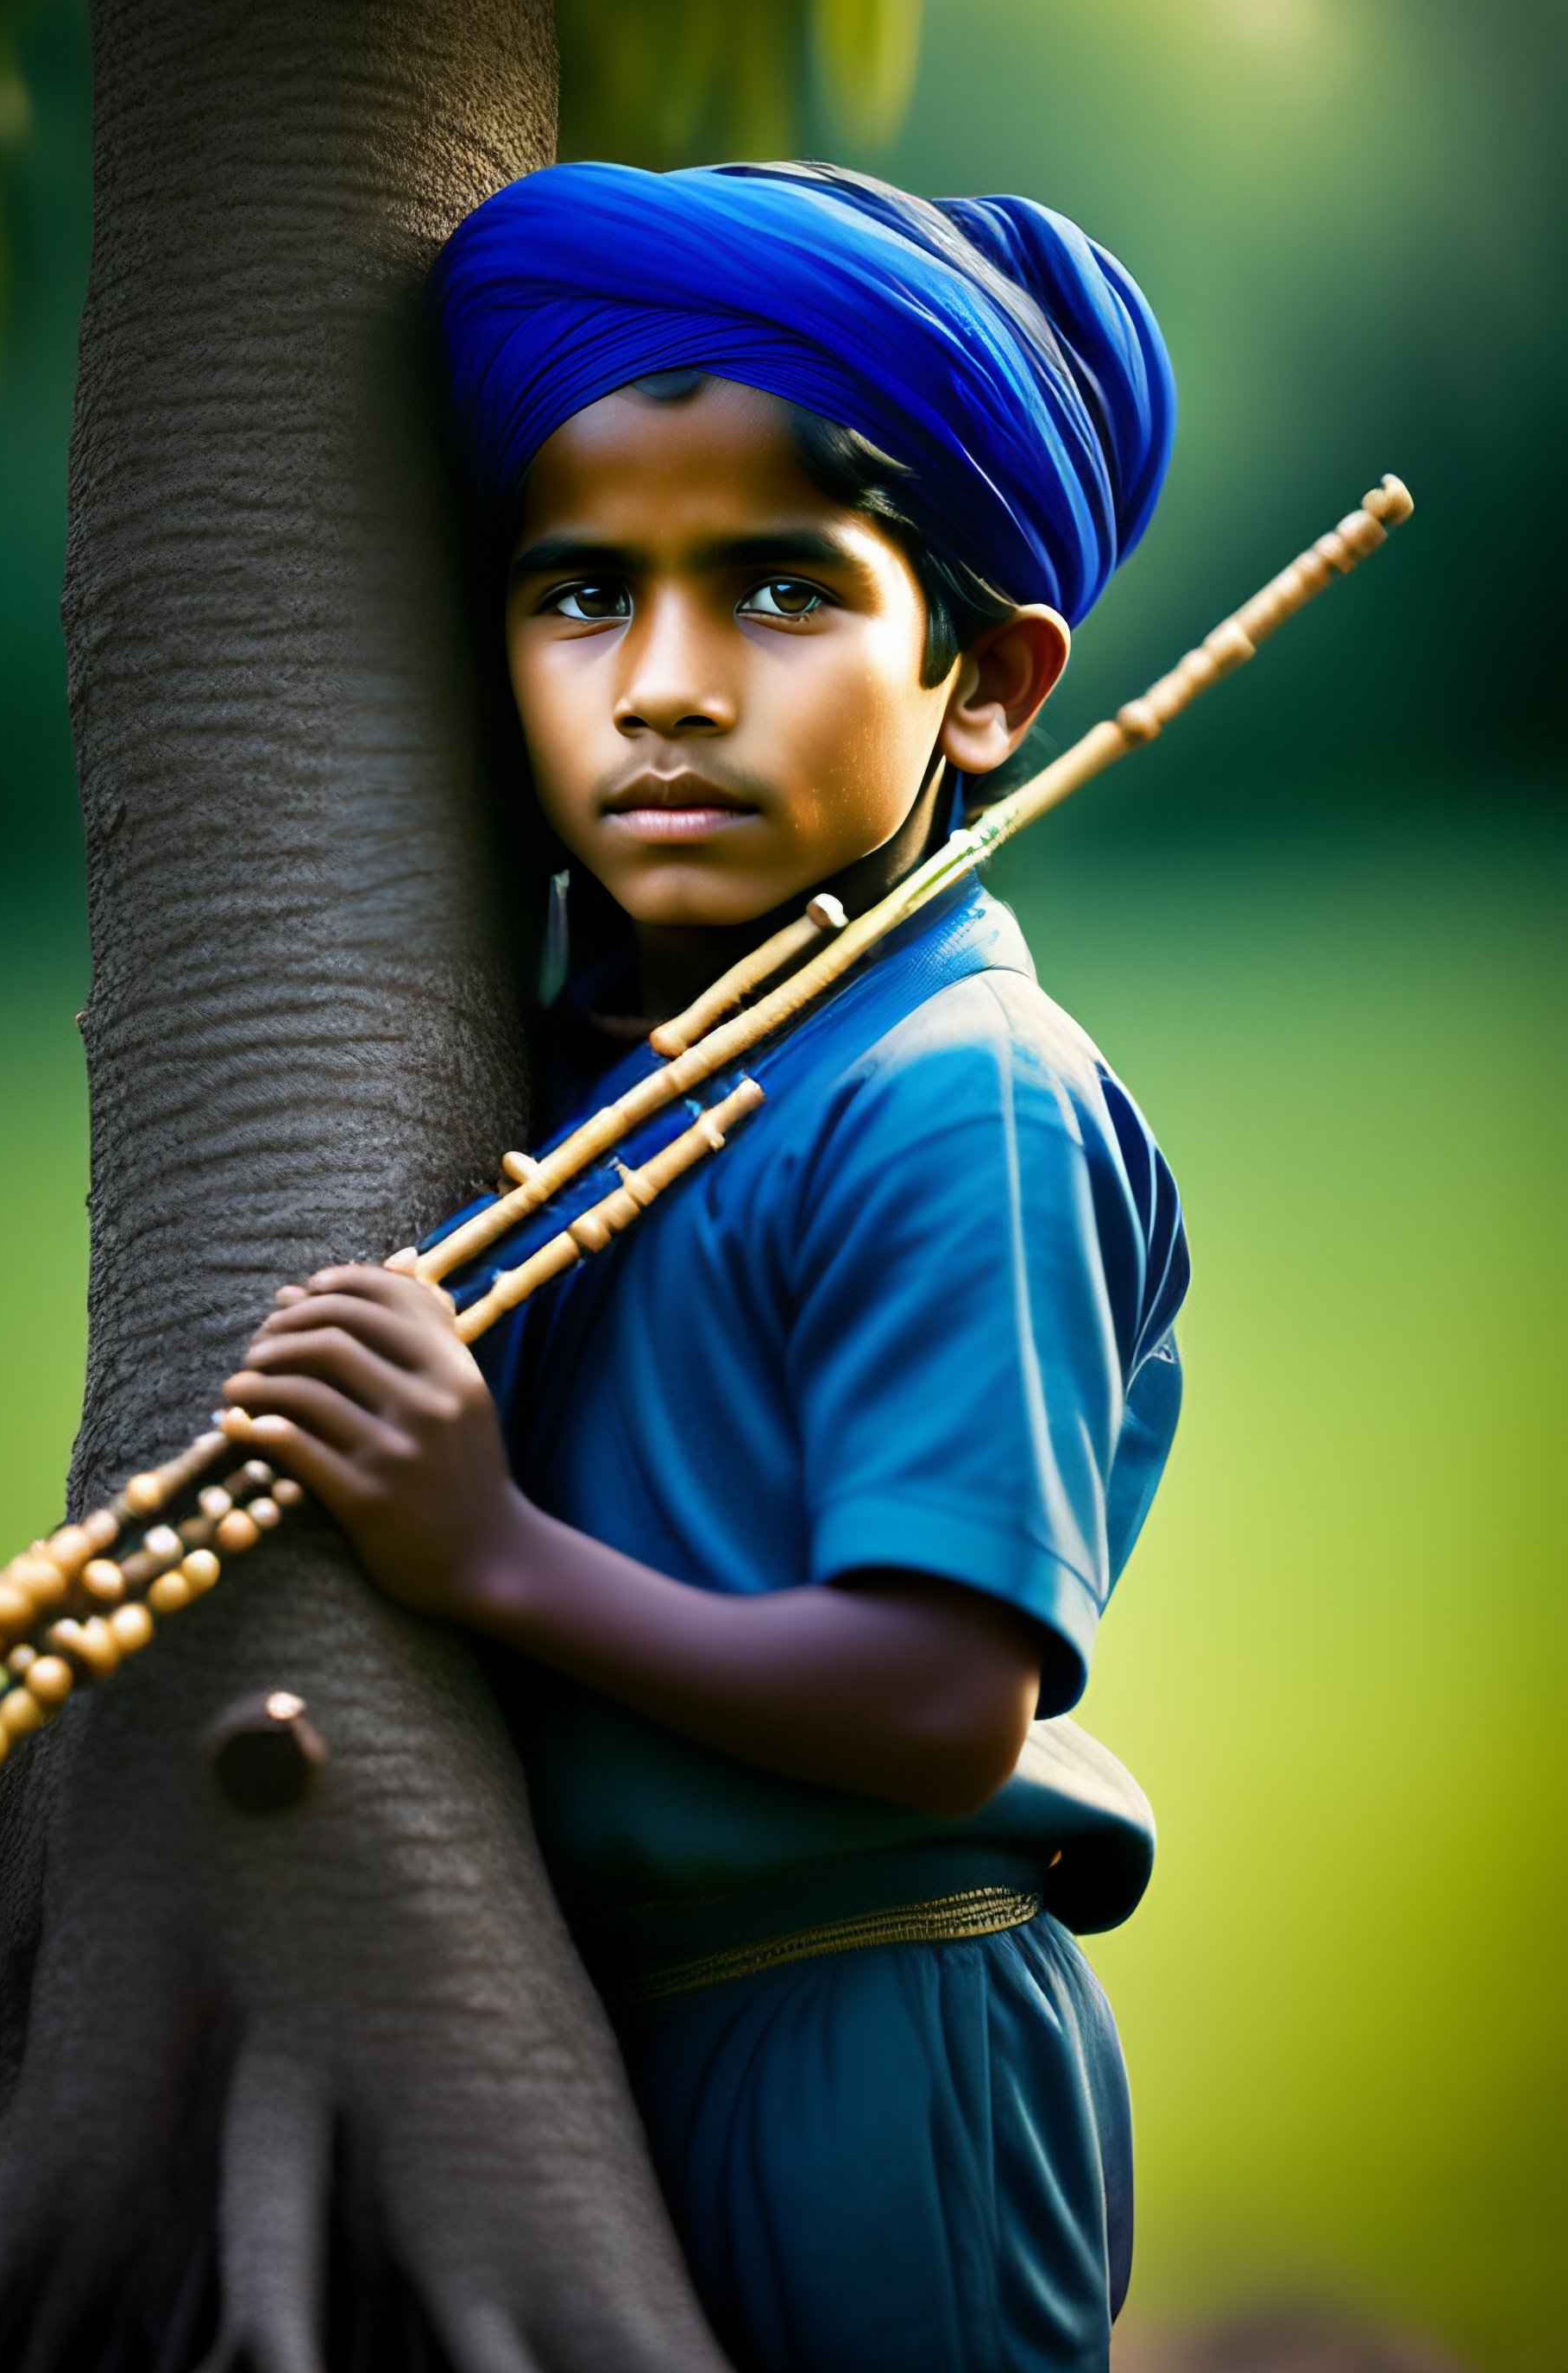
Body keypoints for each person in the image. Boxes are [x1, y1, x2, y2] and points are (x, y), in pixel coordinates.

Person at [220, 161, 1190, 2373]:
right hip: (594, 2033)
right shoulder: (595, 1060)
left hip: (866, 2041)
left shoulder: (956, 1092)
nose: (661, 690)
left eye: (773, 593)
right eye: (579, 598)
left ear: (986, 682)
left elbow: (941, 1708)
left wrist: (484, 1553)